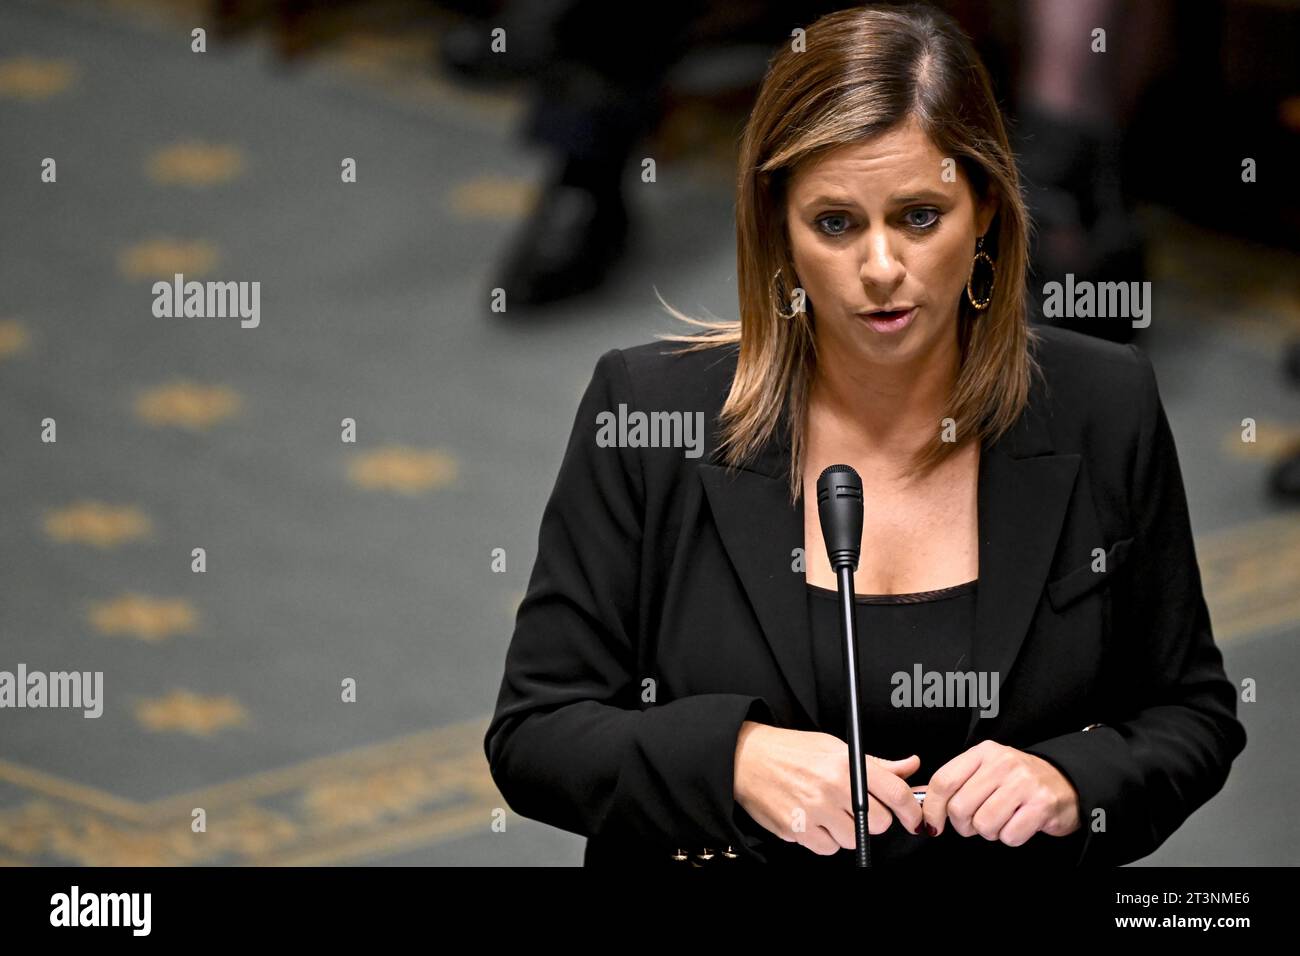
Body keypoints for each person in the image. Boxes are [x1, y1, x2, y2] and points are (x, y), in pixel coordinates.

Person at [483, 2, 1246, 866]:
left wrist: (1074, 782)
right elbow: (536, 733)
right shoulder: (649, 413)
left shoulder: (1104, 405)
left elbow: (1190, 716)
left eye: (920, 216)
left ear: (988, 206)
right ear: (777, 225)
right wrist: (731, 759)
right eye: (837, 223)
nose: (882, 268)